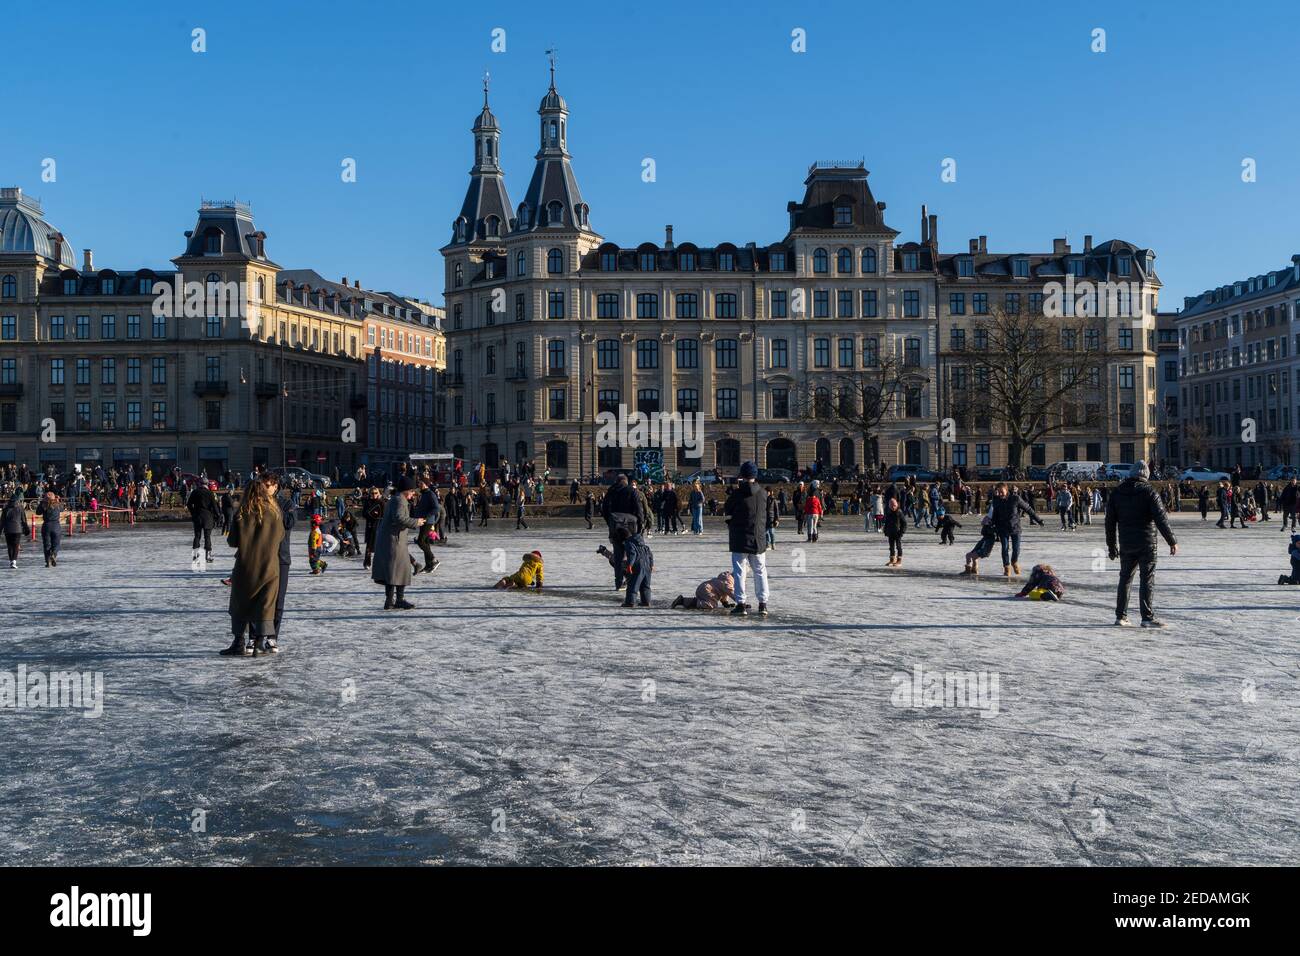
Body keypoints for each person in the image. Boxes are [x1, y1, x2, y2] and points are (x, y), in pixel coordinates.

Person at [1105, 460, 1178, 628]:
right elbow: (1161, 519)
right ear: (1146, 475)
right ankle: (1147, 617)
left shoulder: (1117, 493)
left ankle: (1121, 616)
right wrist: (1172, 541)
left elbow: (1110, 522)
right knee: (1147, 579)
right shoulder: (1150, 492)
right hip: (1147, 543)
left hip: (1126, 543)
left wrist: (1111, 546)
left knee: (1125, 579)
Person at [222, 478, 284, 657]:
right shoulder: (275, 513)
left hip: (245, 566)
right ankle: (259, 643)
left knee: (240, 604)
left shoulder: (242, 512)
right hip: (270, 566)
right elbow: (280, 537)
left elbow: (232, 541)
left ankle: (238, 642)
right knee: (265, 605)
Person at [372, 477, 425, 610]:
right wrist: (416, 522)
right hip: (394, 540)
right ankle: (398, 600)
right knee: (401, 569)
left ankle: (390, 601)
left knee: (392, 571)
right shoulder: (400, 500)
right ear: (406, 490)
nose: (413, 494)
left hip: (391, 539)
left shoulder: (395, 499)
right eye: (412, 491)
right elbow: (399, 518)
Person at [724, 462, 769, 616]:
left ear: (742, 476)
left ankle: (741, 604)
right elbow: (767, 516)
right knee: (760, 571)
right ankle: (763, 604)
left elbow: (727, 510)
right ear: (755, 475)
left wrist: (731, 524)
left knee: (740, 572)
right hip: (758, 538)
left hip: (740, 538)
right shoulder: (763, 493)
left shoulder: (737, 494)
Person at [988, 482, 1043, 577]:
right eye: (998, 492)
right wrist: (992, 524)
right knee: (1005, 548)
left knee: (1016, 549)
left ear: (1006, 490)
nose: (1000, 494)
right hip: (1002, 528)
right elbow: (995, 515)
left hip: (1015, 527)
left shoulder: (1015, 498)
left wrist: (1038, 520)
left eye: (1002, 492)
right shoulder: (996, 501)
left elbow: (1028, 509)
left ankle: (1014, 562)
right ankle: (1006, 567)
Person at [600, 474, 643, 591]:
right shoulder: (632, 491)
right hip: (631, 527)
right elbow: (639, 509)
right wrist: (641, 525)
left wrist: (609, 522)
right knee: (632, 555)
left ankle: (618, 582)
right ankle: (630, 580)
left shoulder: (611, 491)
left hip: (615, 527)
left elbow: (604, 509)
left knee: (618, 556)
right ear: (626, 481)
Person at [187, 480, 222, 564]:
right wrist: (218, 516)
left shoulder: (195, 492)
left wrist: (193, 513)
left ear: (199, 484)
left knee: (197, 536)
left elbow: (189, 504)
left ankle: (195, 556)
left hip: (197, 517)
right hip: (208, 517)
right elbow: (214, 506)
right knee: (207, 537)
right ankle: (208, 556)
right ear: (207, 484)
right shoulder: (210, 493)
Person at [619, 528, 653, 607]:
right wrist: (651, 564)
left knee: (633, 584)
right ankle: (646, 601)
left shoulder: (629, 543)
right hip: (647, 565)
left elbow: (632, 554)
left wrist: (629, 565)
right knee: (645, 585)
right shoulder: (642, 543)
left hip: (638, 565)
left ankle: (630, 602)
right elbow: (650, 554)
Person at [671, 571, 736, 611]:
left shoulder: (727, 578)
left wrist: (725, 603)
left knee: (706, 603)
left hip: (704, 588)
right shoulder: (729, 581)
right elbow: (731, 592)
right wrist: (741, 602)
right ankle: (683, 601)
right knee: (710, 605)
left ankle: (689, 602)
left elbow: (725, 593)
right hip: (707, 590)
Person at [413, 480, 441, 574]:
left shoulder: (430, 494)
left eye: (421, 483)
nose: (419, 485)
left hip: (428, 521)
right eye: (419, 483)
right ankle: (428, 565)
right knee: (425, 542)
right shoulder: (423, 494)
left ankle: (433, 559)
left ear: (426, 484)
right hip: (422, 521)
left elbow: (436, 508)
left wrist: (427, 516)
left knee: (420, 541)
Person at [36, 492, 63, 567]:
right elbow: (62, 508)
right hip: (56, 526)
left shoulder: (44, 505)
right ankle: (53, 554)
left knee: (46, 545)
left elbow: (37, 512)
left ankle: (47, 561)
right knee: (56, 544)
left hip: (46, 526)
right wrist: (58, 500)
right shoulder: (57, 504)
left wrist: (42, 502)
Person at [2, 493, 30, 569]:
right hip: (17, 529)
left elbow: (2, 521)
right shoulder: (20, 508)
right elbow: (23, 520)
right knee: (16, 546)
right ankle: (14, 561)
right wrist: (26, 529)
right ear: (17, 500)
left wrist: (0, 529)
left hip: (7, 530)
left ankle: (11, 561)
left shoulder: (5, 508)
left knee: (10, 546)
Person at [362, 486, 384, 569]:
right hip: (370, 525)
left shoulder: (381, 502)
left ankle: (380, 563)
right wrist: (372, 514)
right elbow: (364, 514)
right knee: (369, 545)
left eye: (376, 493)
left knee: (380, 545)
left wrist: (377, 514)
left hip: (379, 525)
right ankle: (367, 562)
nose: (374, 495)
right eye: (372, 493)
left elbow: (384, 514)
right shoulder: (367, 502)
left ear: (378, 493)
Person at [883, 497, 906, 566]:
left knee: (898, 546)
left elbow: (904, 523)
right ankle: (892, 559)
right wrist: (885, 530)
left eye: (894, 506)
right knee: (891, 547)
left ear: (896, 505)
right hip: (890, 532)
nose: (893, 507)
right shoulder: (889, 512)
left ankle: (899, 560)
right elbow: (887, 523)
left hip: (897, 532)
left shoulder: (899, 512)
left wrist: (901, 532)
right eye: (891, 506)